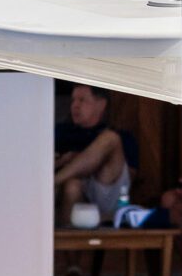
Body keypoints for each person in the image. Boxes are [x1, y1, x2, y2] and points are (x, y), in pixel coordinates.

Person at [55, 83, 135, 226]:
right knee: (72, 186)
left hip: (104, 190)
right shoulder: (60, 132)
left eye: (82, 100)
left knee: (111, 139)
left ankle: (52, 181)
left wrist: (94, 162)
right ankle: (69, 240)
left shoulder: (122, 136)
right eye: (73, 100)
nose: (75, 105)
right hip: (70, 194)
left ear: (101, 104)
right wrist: (65, 161)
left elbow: (131, 175)